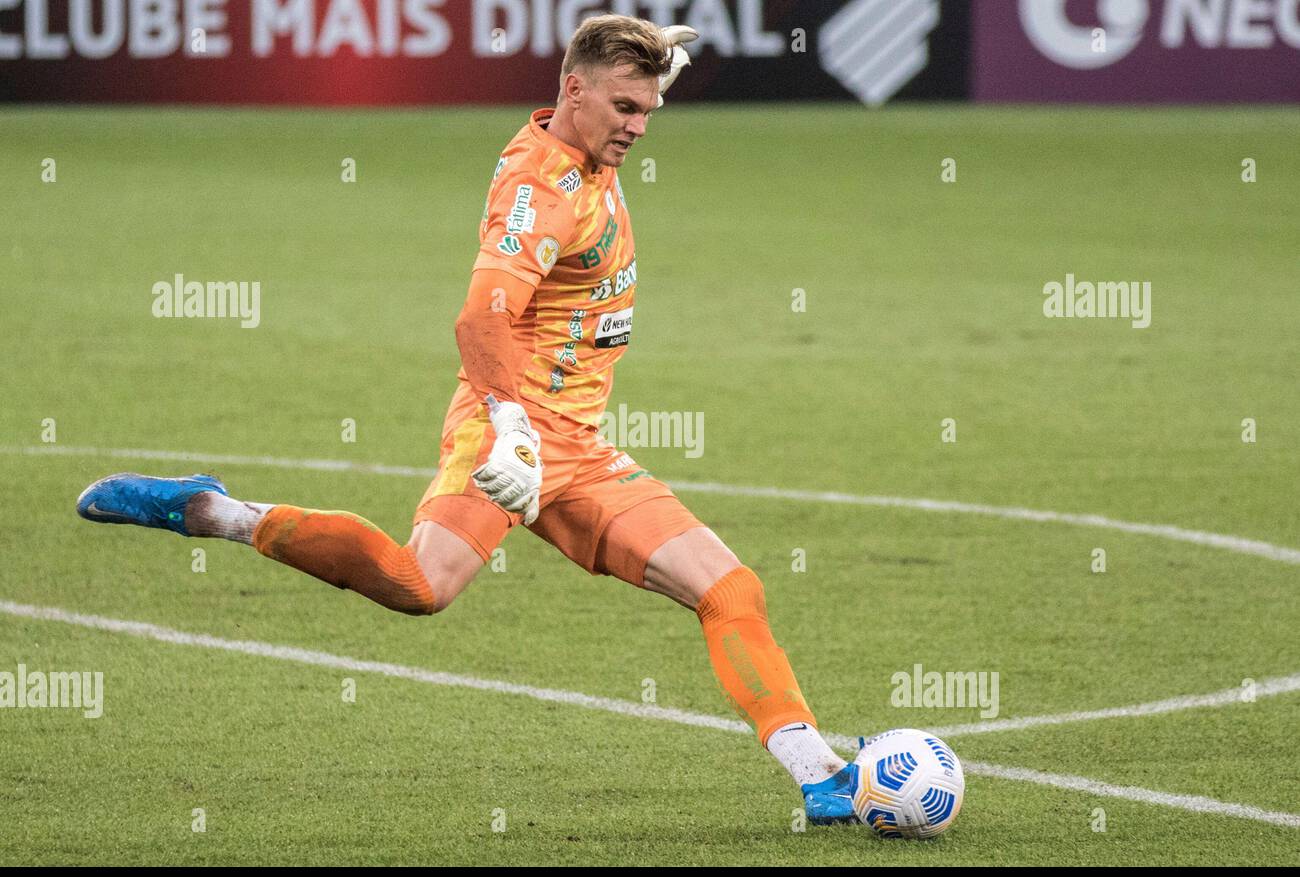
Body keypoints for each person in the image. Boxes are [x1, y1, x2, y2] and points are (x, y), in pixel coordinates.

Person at [76, 14, 861, 823]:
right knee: (418, 587)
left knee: (731, 589)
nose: (639, 126)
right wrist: (512, 432)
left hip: (578, 448)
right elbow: (481, 321)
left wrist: (655, 47)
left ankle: (821, 775)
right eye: (626, 107)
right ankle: (216, 512)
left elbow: (613, 66)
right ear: (575, 91)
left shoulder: (591, 127)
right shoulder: (540, 192)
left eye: (649, 109)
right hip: (507, 429)